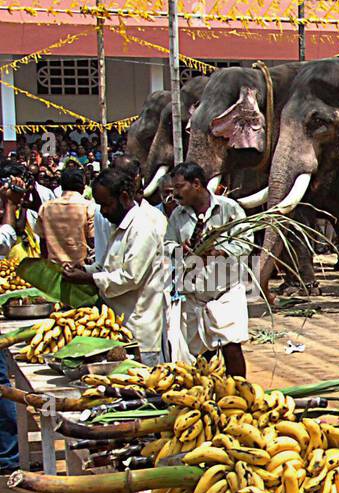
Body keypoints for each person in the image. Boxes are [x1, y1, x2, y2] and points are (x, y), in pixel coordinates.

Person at [61, 167, 168, 366]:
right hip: (118, 329)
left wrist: (89, 279)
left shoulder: (142, 228)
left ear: (125, 197)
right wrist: (85, 269)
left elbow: (130, 277)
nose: (103, 212)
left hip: (138, 331)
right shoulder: (118, 226)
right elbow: (109, 268)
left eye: (107, 205)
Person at [164, 161, 252, 377]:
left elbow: (246, 242)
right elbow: (167, 245)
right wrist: (180, 249)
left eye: (179, 187)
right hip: (194, 295)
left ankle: (239, 393)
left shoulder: (229, 208)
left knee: (231, 346)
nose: (175, 194)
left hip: (226, 291)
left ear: (196, 184)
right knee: (202, 354)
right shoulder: (178, 215)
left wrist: (221, 252)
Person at [36, 163, 94, 266]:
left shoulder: (45, 207)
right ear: (83, 186)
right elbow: (92, 241)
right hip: (80, 271)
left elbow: (43, 242)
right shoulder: (88, 207)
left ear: (62, 186)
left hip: (53, 269)